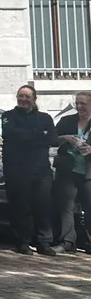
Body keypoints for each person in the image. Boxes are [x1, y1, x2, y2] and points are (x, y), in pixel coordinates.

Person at [2, 85, 57, 256]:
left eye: (27, 96)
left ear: (34, 99)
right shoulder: (8, 116)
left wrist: (30, 135)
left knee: (43, 206)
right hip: (17, 170)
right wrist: (38, 134)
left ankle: (44, 242)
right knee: (21, 207)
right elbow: (11, 134)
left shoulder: (45, 117)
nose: (23, 99)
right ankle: (23, 241)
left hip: (41, 170)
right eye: (20, 96)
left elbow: (52, 138)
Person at [53, 91, 91, 255]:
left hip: (89, 172)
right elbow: (52, 139)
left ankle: (89, 243)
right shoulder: (67, 120)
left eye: (83, 103)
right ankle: (67, 242)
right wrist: (65, 138)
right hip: (68, 170)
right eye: (78, 103)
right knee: (66, 207)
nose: (80, 106)